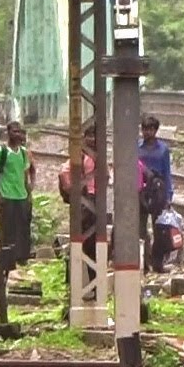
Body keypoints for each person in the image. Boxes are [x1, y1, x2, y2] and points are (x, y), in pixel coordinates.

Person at [58, 123, 104, 292]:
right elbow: (64, 172)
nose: (92, 140)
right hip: (86, 201)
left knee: (93, 244)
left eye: (95, 136)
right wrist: (74, 191)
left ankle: (93, 284)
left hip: (96, 201)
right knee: (84, 241)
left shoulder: (98, 156)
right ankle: (84, 283)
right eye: (89, 136)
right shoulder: (80, 155)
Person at [0, 121, 35, 269]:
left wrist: (29, 191)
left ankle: (21, 258)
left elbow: (26, 172)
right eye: (15, 131)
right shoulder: (1, 151)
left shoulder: (23, 152)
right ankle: (7, 261)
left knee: (23, 228)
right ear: (8, 133)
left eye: (20, 132)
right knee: (7, 229)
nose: (18, 135)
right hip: (7, 195)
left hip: (21, 195)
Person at [137, 116, 175, 273]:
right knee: (140, 228)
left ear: (156, 130)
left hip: (158, 189)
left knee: (159, 228)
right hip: (141, 189)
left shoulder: (163, 149)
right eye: (145, 129)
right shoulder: (136, 147)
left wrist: (168, 196)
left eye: (151, 129)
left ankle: (158, 263)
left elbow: (167, 173)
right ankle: (143, 262)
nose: (148, 132)